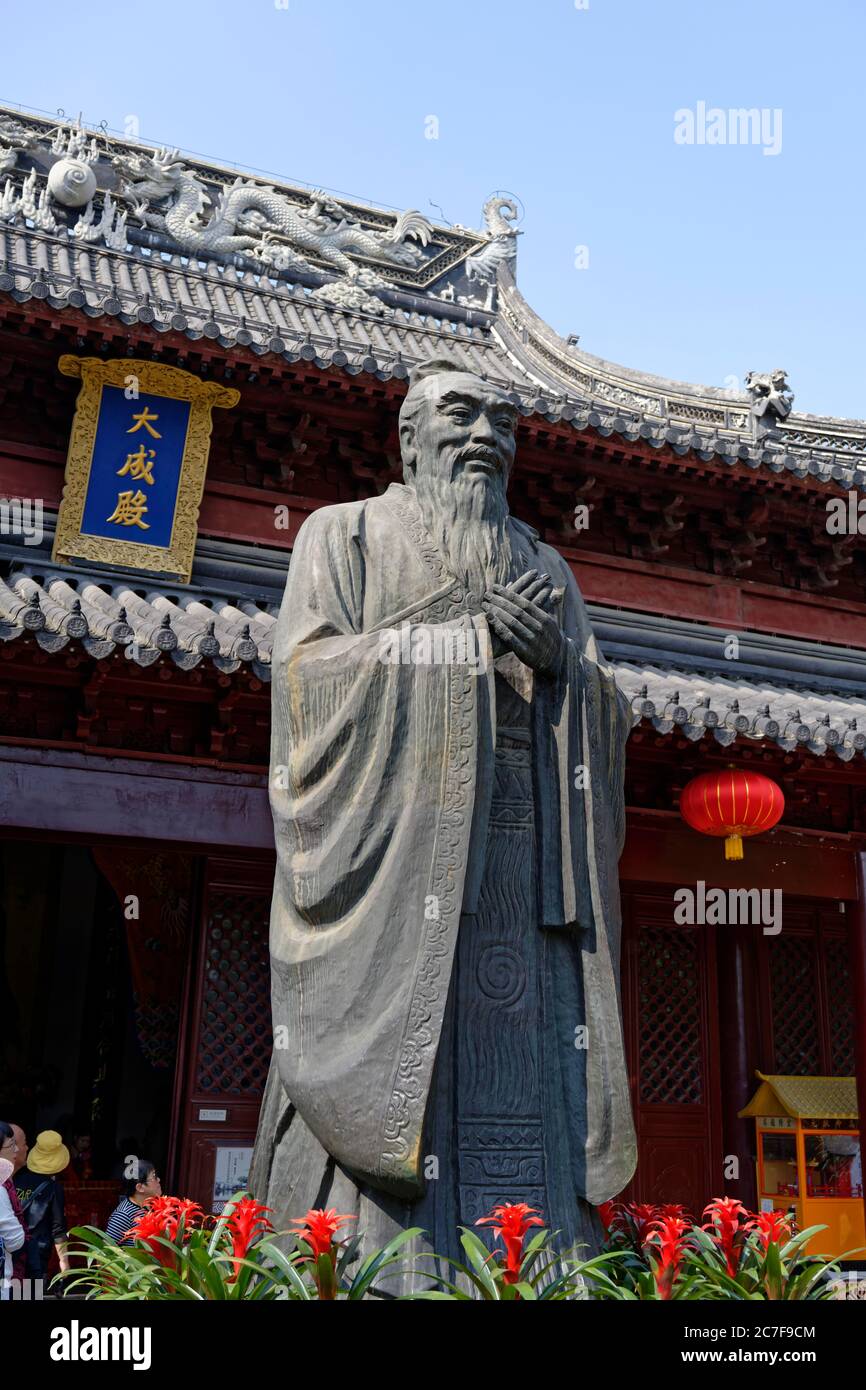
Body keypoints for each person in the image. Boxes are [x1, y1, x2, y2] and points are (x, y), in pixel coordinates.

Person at [251, 358, 636, 1291]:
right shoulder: (342, 537)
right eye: (461, 415)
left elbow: (607, 711)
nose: (486, 438)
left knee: (530, 1112)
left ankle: (548, 1265)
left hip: (526, 882)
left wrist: (562, 673)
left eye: (504, 423)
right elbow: (304, 685)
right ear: (409, 435)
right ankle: (382, 1269)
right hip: (400, 879)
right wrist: (462, 642)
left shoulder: (548, 567)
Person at [13, 1129, 69, 1279]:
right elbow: (58, 1229)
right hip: (36, 1256)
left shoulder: (16, 1178)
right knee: (31, 1294)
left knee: (12, 1293)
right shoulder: (54, 1188)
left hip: (12, 1249)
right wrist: (64, 1262)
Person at [105, 1160, 161, 1245]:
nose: (159, 1180)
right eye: (154, 1177)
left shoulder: (150, 1206)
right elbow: (104, 1253)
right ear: (140, 1187)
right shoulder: (124, 1215)